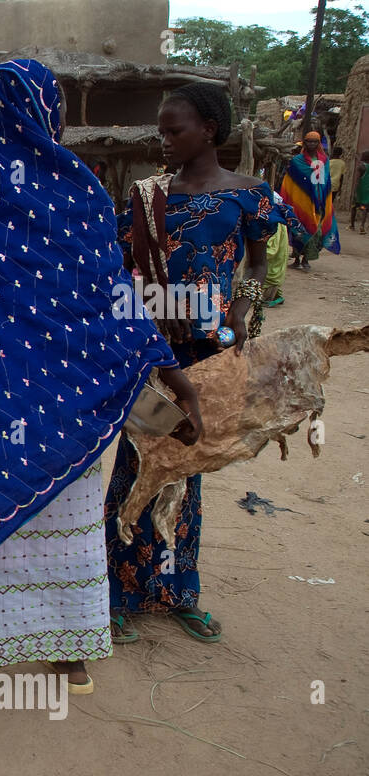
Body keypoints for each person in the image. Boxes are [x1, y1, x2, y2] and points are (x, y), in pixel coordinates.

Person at [0, 59, 203, 707]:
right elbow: (114, 300)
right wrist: (168, 369)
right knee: (64, 517)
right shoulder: (79, 190)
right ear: (49, 114)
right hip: (64, 402)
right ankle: (70, 653)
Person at [105, 82, 282, 645]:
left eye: (174, 130)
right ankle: (116, 594)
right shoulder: (145, 197)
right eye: (160, 131)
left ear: (209, 129)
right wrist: (155, 313)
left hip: (208, 355)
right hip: (152, 356)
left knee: (189, 468)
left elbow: (257, 270)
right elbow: (117, 274)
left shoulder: (250, 196)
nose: (164, 141)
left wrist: (236, 321)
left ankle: (179, 592)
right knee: (137, 462)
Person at [281, 130, 340, 271]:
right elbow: (290, 182)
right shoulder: (297, 161)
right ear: (305, 143)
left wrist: (324, 198)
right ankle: (296, 258)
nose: (312, 144)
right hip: (300, 201)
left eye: (315, 141)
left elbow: (326, 181)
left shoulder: (324, 161)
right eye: (309, 141)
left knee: (315, 230)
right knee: (299, 228)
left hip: (318, 200)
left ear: (319, 143)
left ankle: (306, 259)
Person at [351, 150, 369, 234]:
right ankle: (362, 226)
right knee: (364, 207)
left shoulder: (361, 167)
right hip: (367, 190)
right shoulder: (365, 166)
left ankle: (352, 225)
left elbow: (357, 179)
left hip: (360, 190)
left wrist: (354, 190)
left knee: (354, 206)